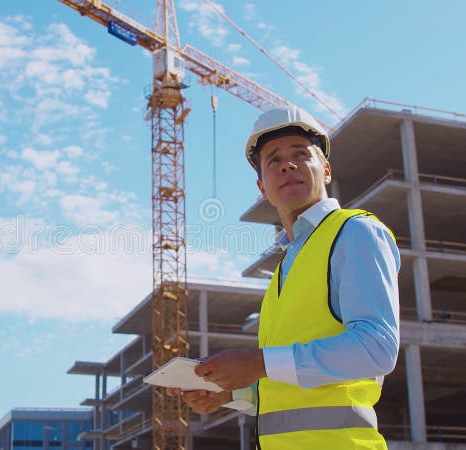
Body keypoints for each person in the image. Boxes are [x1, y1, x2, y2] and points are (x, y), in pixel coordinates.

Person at [168, 105, 400, 449]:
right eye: (273, 160)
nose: (287, 165)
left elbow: (376, 349)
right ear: (262, 186)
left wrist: (256, 363)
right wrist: (231, 391)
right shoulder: (284, 269)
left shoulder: (355, 232)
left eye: (300, 154)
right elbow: (294, 385)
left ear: (326, 170)